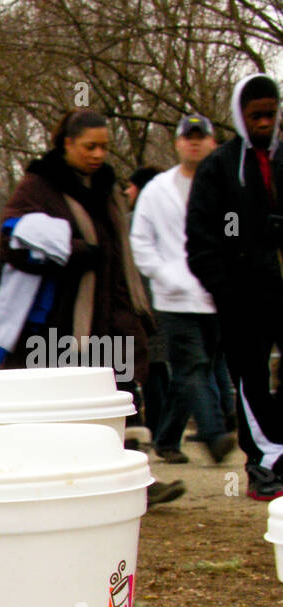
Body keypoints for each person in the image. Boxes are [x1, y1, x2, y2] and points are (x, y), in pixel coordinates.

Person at [0, 109, 183, 505]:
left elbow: (116, 255)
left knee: (118, 392)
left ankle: (133, 481)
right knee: (63, 407)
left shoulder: (105, 186)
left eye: (104, 146)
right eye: (90, 146)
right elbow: (12, 243)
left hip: (109, 309)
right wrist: (73, 251)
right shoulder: (39, 185)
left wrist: (132, 313)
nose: (99, 154)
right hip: (56, 321)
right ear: (67, 143)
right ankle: (56, 484)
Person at [187, 74, 283, 501]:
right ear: (241, 117)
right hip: (244, 295)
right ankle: (263, 461)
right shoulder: (220, 167)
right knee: (250, 378)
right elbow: (202, 239)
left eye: (271, 113)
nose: (264, 122)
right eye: (255, 115)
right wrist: (225, 287)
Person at [130, 115, 236, 466]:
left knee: (193, 371)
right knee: (194, 366)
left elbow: (237, 235)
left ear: (212, 142)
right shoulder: (157, 191)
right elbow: (141, 242)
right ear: (177, 143)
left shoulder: (226, 186)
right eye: (187, 137)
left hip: (217, 294)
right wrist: (163, 274)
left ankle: (166, 438)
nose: (194, 143)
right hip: (174, 297)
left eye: (201, 137)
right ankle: (214, 433)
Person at [124, 165, 180, 455]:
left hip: (143, 308)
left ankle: (156, 433)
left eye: (131, 186)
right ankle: (164, 434)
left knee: (152, 373)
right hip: (165, 304)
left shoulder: (131, 222)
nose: (126, 191)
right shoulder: (172, 218)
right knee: (163, 371)